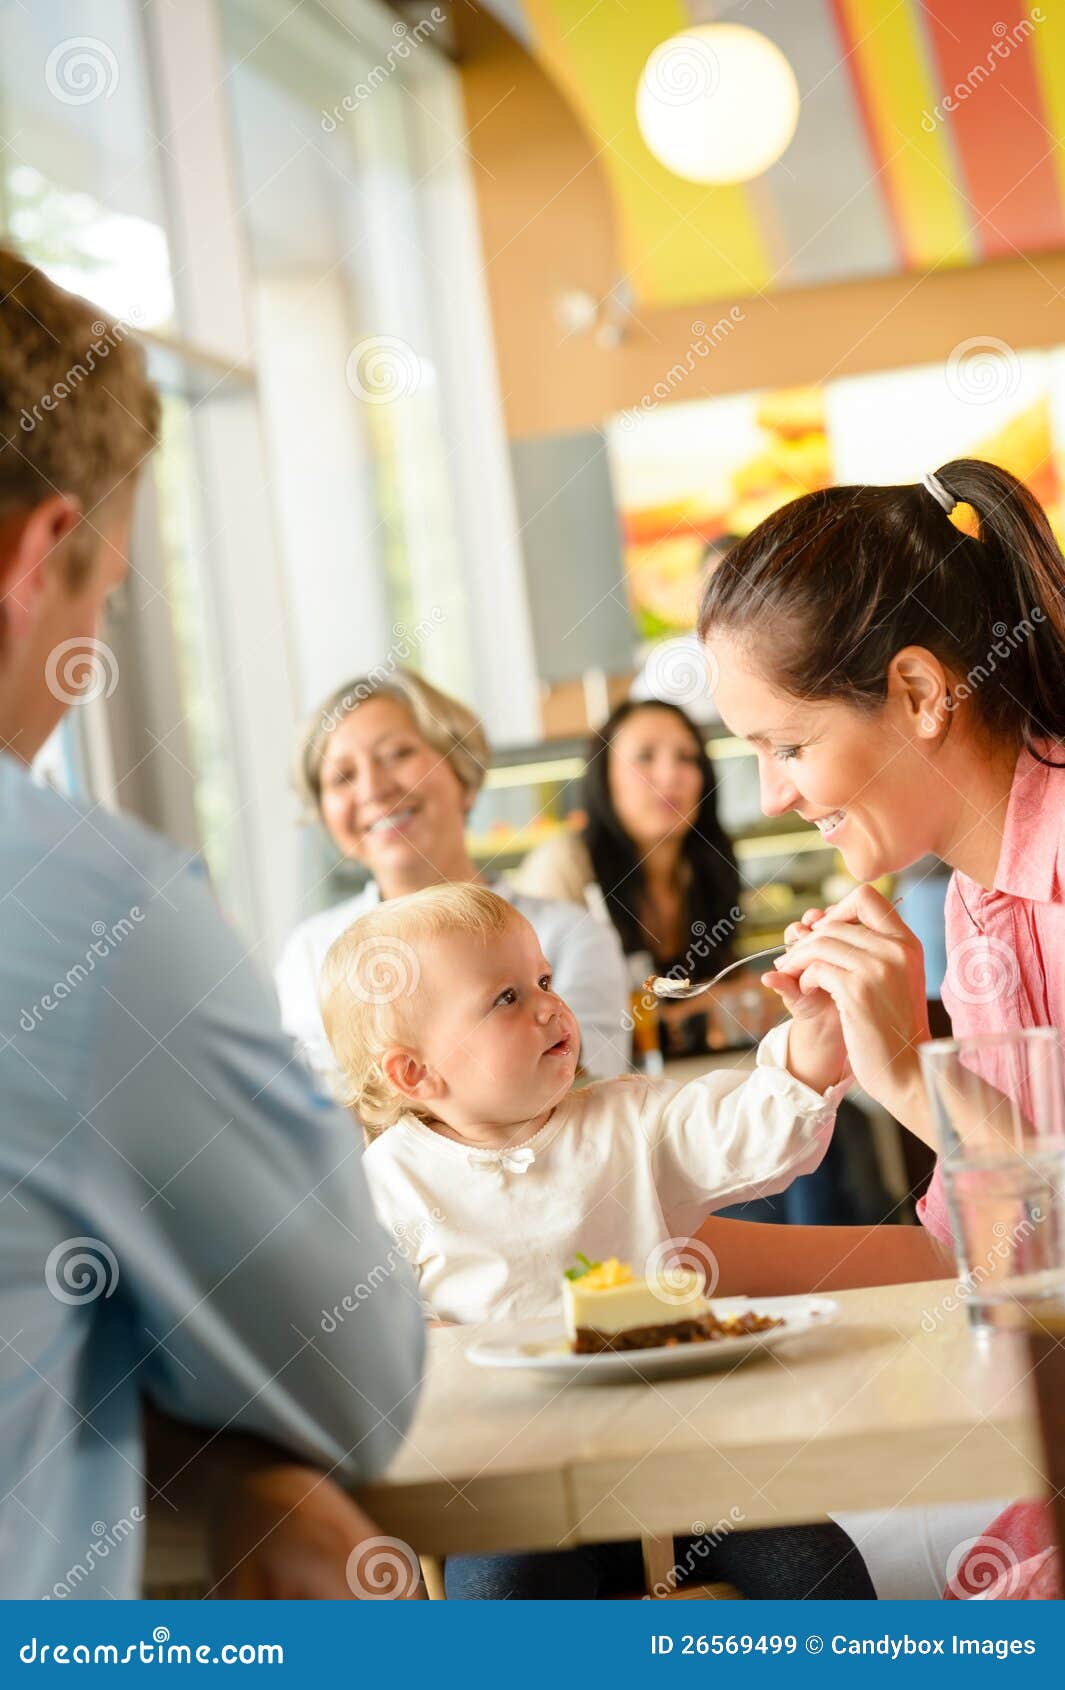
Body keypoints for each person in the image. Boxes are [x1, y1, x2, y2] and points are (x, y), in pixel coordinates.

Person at [0, 246, 424, 1600]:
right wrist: (204, 1439)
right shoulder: (89, 910)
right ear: (37, 557)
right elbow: (352, 1385)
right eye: (106, 593)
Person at [694, 457, 1065, 1600]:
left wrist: (910, 1074)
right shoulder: (976, 901)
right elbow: (986, 1252)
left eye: (788, 745)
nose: (773, 794)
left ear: (916, 692)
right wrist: (659, 1249)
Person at [319, 880, 877, 1599]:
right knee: (499, 1602)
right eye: (506, 998)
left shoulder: (629, 1121)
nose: (549, 1006)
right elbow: (365, 1338)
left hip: (687, 1465)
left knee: (817, 1566)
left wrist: (814, 1037)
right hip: (514, 1499)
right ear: (415, 1073)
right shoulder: (388, 1184)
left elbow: (753, 1133)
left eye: (543, 980)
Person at [276, 669, 629, 1092]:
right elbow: (313, 1108)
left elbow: (589, 1092)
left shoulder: (571, 935)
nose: (371, 788)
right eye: (341, 777)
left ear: (463, 775)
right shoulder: (310, 954)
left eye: (397, 754)